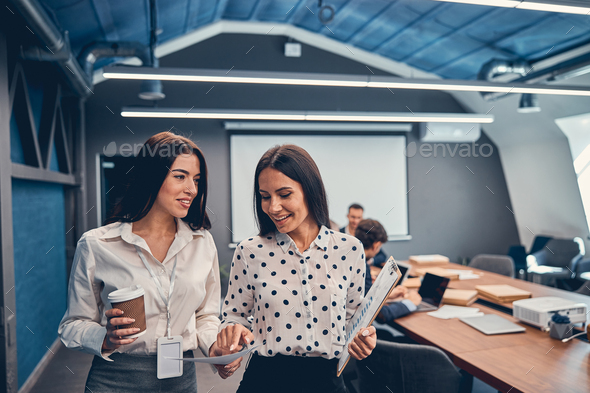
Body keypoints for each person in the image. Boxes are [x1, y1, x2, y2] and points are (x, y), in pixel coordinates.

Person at [58, 132, 239, 392]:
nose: (192, 189)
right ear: (152, 177)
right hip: (115, 380)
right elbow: (72, 324)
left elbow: (205, 315)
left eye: (196, 180)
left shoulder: (202, 243)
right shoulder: (97, 244)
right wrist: (106, 338)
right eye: (180, 176)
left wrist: (215, 347)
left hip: (181, 380)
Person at [216, 144, 377, 393]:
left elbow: (354, 321)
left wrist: (365, 339)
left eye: (284, 194)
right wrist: (231, 339)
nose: (273, 207)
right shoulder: (249, 251)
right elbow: (233, 316)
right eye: (265, 196)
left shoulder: (350, 249)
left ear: (310, 191)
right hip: (265, 380)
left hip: (327, 382)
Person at [355, 219, 421, 321]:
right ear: (376, 245)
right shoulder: (362, 265)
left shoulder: (353, 260)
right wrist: (410, 303)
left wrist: (388, 295)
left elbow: (363, 299)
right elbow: (381, 314)